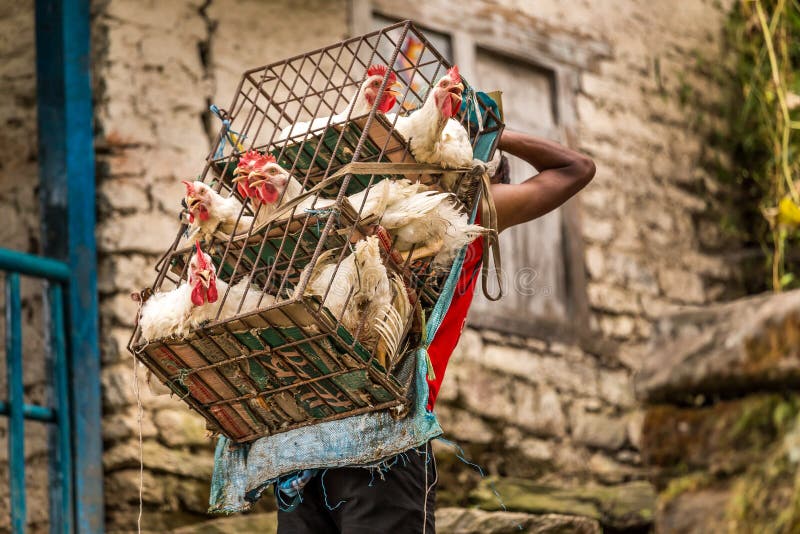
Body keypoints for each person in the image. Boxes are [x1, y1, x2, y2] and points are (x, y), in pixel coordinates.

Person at [275, 128, 596, 533]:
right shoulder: (467, 213)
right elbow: (576, 168)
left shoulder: (358, 212)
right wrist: (497, 130)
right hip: (386, 436)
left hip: (301, 443)